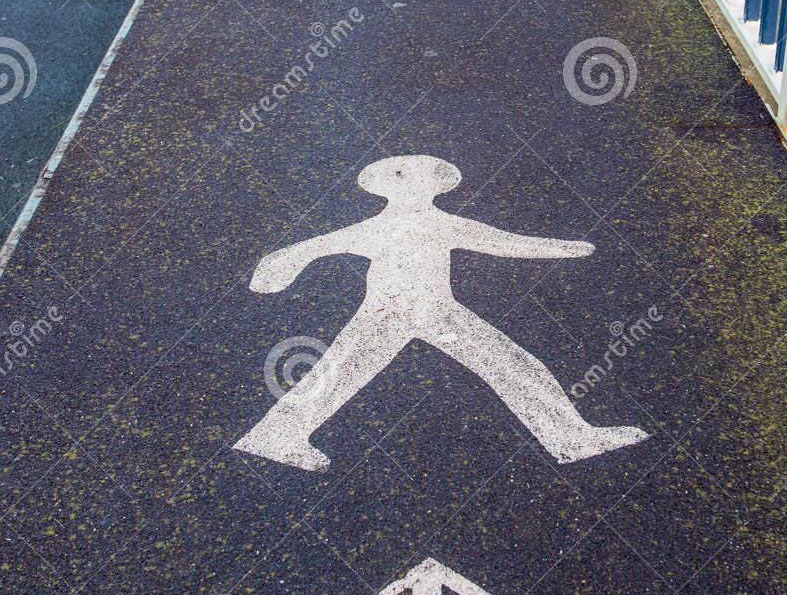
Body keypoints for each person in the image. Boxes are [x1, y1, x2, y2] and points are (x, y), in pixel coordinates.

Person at [234, 155, 648, 471]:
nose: (415, 182)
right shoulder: (377, 227)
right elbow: (306, 249)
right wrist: (275, 273)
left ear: (438, 186)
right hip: (388, 313)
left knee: (518, 367)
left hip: (437, 310)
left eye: (425, 175)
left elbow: (506, 242)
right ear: (382, 188)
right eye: (403, 176)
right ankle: (275, 436)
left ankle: (573, 437)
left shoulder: (444, 223)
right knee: (338, 374)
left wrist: (566, 248)